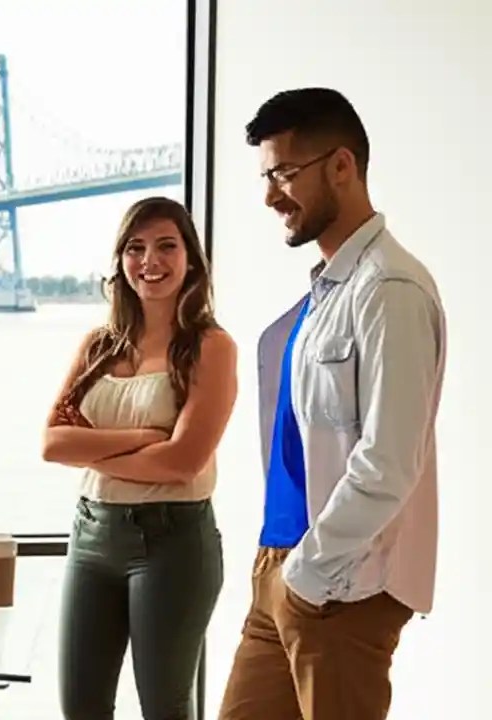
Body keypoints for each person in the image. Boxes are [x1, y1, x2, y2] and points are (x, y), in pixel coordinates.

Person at [218, 88, 446, 720]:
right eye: (266, 176)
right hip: (281, 565)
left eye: (285, 173)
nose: (270, 195)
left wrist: (309, 575)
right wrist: (283, 574)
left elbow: (388, 462)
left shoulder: (390, 290)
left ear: (342, 166)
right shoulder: (329, 291)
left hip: (340, 586)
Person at [43, 196, 236, 720]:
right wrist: (144, 436)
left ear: (191, 259)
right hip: (91, 536)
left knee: (165, 710)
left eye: (166, 246)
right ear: (121, 261)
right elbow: (52, 443)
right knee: (80, 708)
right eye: (136, 247)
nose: (150, 261)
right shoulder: (97, 347)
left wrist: (94, 447)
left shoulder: (210, 347)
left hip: (173, 544)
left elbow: (182, 464)